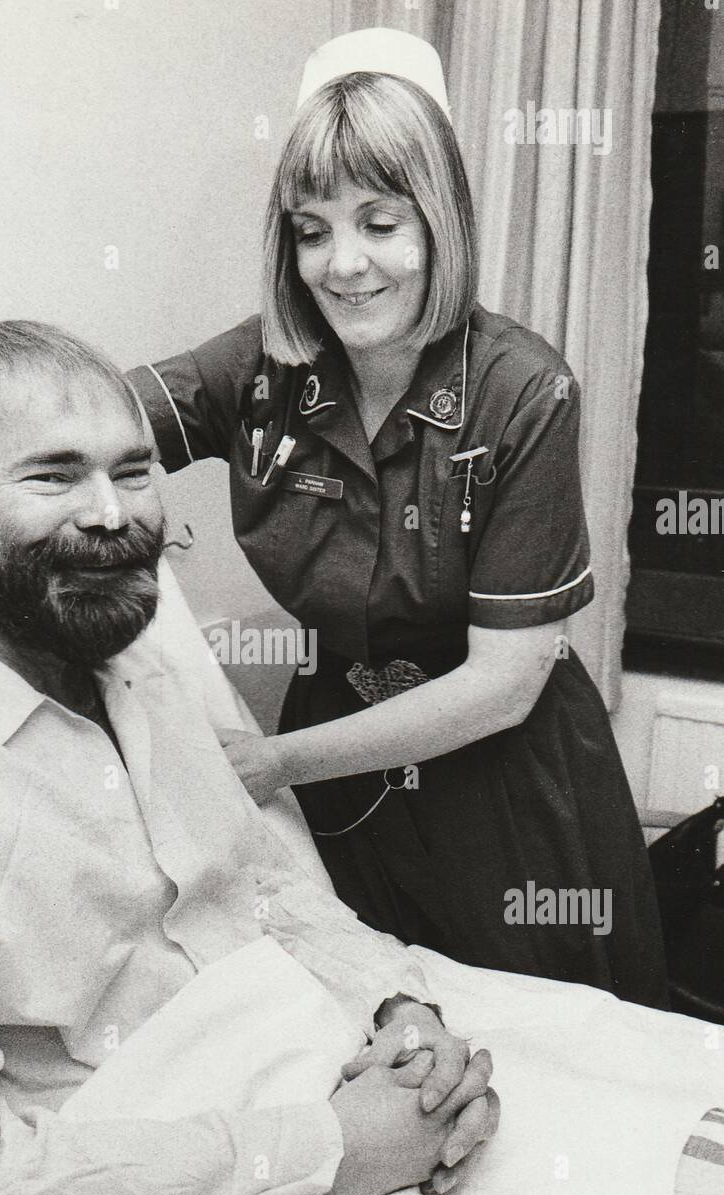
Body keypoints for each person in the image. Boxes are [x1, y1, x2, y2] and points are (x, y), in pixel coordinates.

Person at [0, 321, 498, 1195]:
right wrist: (332, 1145)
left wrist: (405, 1019)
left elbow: (264, 890)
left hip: (319, 1084)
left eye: (133, 472)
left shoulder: (143, 672)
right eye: (53, 477)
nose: (112, 514)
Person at [128, 29, 668, 1008]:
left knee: (547, 1058)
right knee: (364, 1026)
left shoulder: (521, 392)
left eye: (381, 223)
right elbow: (73, 424)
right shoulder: (259, 373)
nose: (344, 265)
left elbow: (503, 685)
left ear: (440, 221)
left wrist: (274, 762)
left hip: (502, 789)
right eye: (311, 229)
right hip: (340, 787)